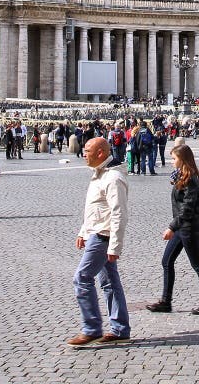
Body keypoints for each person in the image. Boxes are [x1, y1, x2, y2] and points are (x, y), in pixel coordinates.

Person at [69, 137, 130, 346]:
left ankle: (92, 327)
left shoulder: (112, 178)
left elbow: (118, 214)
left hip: (103, 237)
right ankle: (120, 328)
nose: (83, 154)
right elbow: (94, 209)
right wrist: (82, 232)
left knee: (82, 278)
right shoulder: (98, 175)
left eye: (87, 151)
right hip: (96, 233)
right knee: (110, 283)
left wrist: (115, 246)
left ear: (101, 153)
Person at [146, 145, 199, 315]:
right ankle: (166, 301)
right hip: (182, 227)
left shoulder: (191, 178)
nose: (171, 161)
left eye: (174, 158)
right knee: (167, 261)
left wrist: (171, 227)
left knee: (197, 264)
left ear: (183, 159)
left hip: (187, 227)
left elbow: (187, 208)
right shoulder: (181, 176)